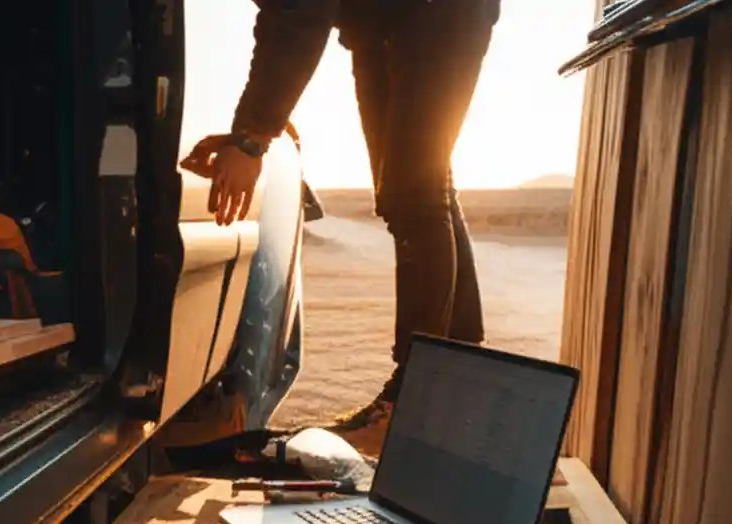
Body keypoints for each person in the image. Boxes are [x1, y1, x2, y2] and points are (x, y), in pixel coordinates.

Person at [182, 0, 500, 434]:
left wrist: (252, 137)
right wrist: (249, 131)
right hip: (385, 25)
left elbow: (298, 15)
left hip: (434, 16)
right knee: (419, 194)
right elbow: (282, 21)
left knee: (416, 197)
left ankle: (417, 399)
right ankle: (458, 378)